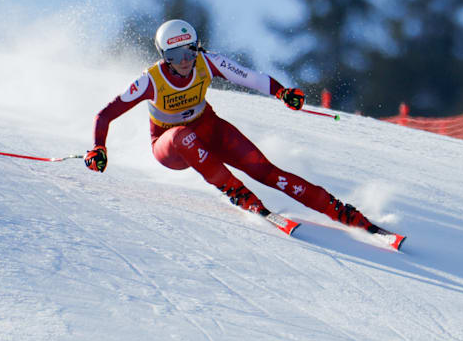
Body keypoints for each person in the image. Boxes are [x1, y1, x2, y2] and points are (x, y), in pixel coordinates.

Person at [85, 19, 379, 233]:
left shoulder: (208, 62)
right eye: (175, 57)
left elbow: (250, 78)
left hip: (208, 128)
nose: (185, 61)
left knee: (265, 170)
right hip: (169, 146)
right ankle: (238, 193)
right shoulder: (150, 80)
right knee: (181, 136)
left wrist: (282, 92)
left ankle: (340, 211)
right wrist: (99, 147)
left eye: (189, 52)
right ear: (164, 57)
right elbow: (105, 114)